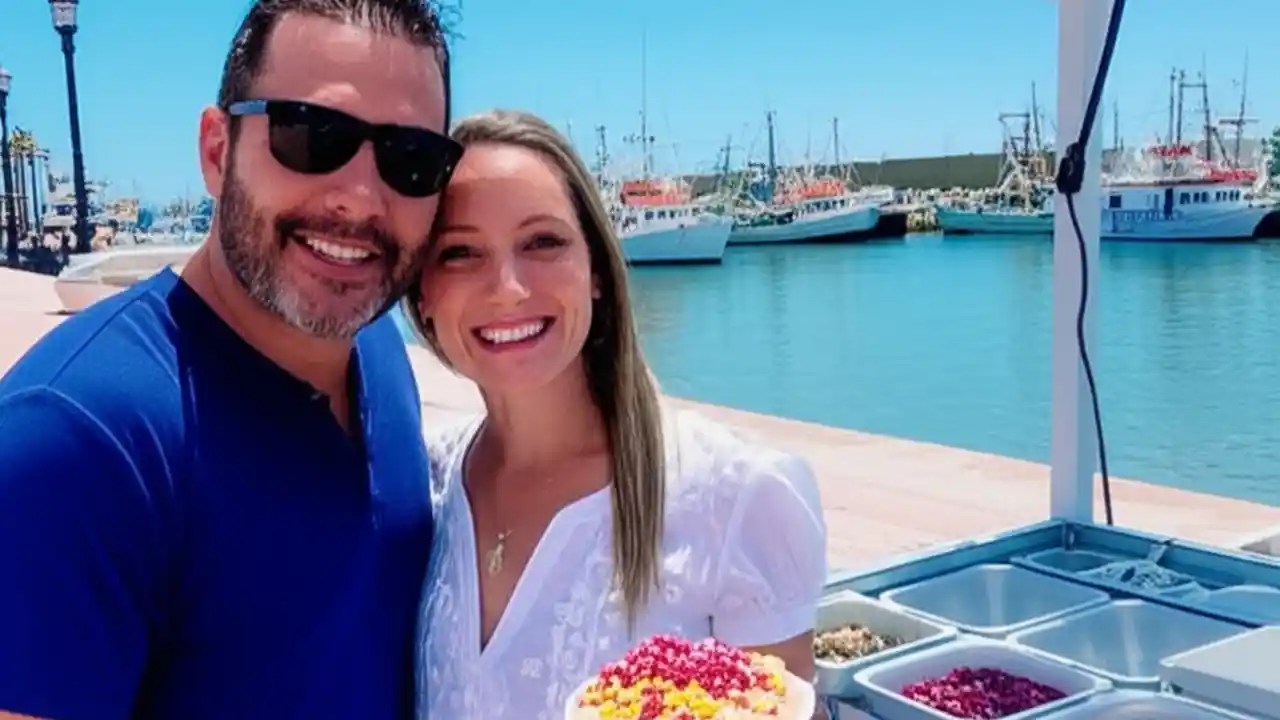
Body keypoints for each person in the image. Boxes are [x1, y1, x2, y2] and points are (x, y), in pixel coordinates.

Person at [0, 2, 459, 718]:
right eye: (312, 135)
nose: (361, 199)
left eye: (411, 159)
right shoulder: (76, 442)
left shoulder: (378, 354)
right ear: (217, 152)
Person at [405, 110, 828, 719]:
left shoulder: (733, 498)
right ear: (423, 291)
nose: (508, 288)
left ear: (597, 269)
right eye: (461, 253)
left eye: (542, 242)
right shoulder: (425, 488)